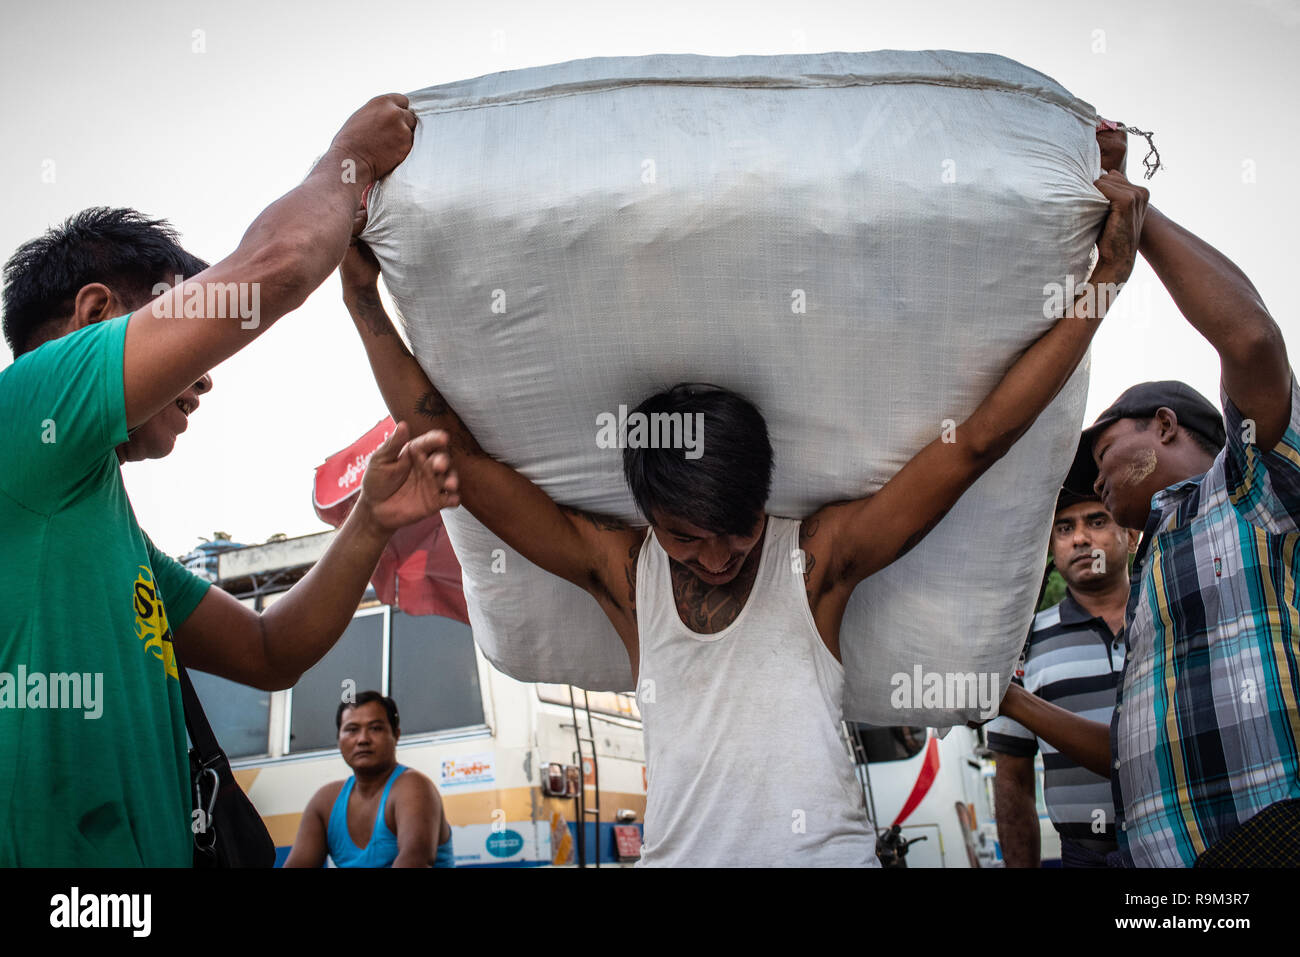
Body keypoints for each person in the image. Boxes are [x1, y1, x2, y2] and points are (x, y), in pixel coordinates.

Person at [340, 133, 1147, 865]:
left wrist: (1104, 284)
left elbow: (974, 441)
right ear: (649, 518)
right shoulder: (623, 571)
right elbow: (456, 448)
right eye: (689, 538)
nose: (721, 556)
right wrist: (364, 304)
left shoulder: (819, 557)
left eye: (740, 527)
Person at [0, 95, 464, 867]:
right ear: (92, 315)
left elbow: (267, 647)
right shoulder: (27, 405)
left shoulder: (104, 526)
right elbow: (271, 272)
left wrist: (372, 521)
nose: (203, 377)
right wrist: (347, 160)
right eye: (174, 319)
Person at [996, 125, 1299, 866]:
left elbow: (1254, 342)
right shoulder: (1156, 564)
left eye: (1103, 451)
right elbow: (1131, 757)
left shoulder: (1245, 491)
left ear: (1165, 426)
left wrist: (1137, 219)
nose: (1095, 477)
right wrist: (1008, 699)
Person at [986, 490, 1138, 867]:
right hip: (1088, 857)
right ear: (1051, 547)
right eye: (1064, 528)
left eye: (1097, 521)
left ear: (1132, 536)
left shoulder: (1170, 615)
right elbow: (1013, 780)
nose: (1081, 538)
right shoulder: (1022, 645)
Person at [284, 692, 453, 868]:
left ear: (396, 735)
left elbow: (414, 861)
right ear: (338, 739)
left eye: (375, 728)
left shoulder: (412, 787)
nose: (363, 739)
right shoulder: (325, 801)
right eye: (352, 730)